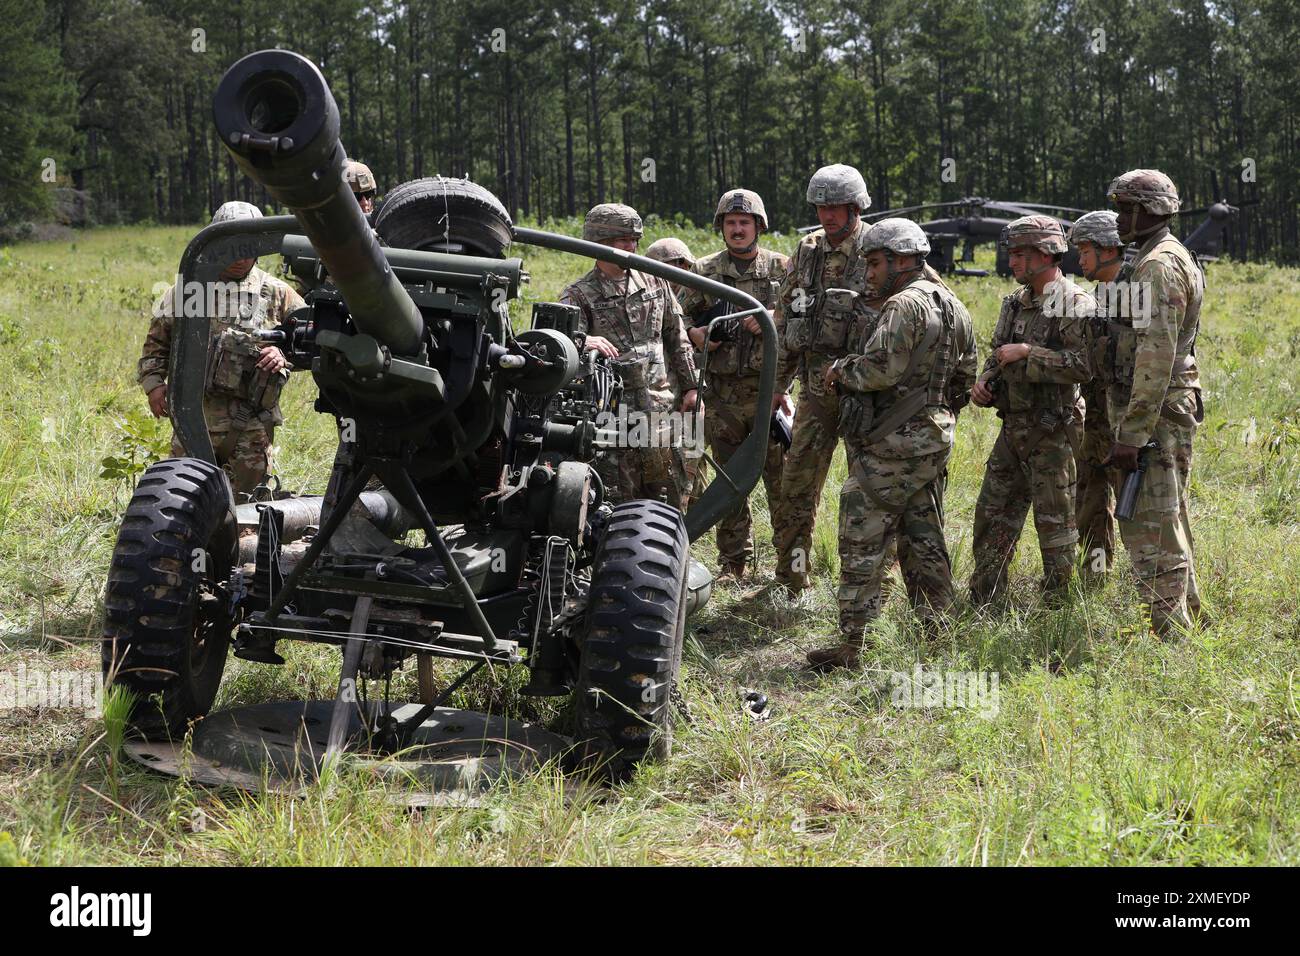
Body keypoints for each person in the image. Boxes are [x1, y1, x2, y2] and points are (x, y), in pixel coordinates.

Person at [810, 219, 976, 668]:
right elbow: (967, 379)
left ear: (903, 261)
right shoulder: (955, 306)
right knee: (924, 537)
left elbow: (880, 370)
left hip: (890, 447)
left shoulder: (904, 305)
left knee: (860, 539)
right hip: (932, 439)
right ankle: (937, 634)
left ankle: (855, 645)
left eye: (877, 262)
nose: (870, 272)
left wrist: (839, 371)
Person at [968, 215, 1094, 606]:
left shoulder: (1075, 303)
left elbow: (1084, 366)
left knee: (1054, 523)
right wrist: (985, 381)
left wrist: (1029, 353)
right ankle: (987, 598)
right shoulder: (1016, 302)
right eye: (1012, 254)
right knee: (993, 514)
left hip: (1053, 430)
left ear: (1045, 253)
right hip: (1013, 429)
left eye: (1020, 255)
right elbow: (998, 351)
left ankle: (1059, 606)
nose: (1012, 263)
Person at [139, 201, 306, 494]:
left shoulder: (277, 292)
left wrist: (283, 354)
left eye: (250, 246)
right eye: (234, 245)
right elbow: (156, 344)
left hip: (251, 424)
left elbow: (312, 339)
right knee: (184, 500)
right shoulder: (187, 290)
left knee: (245, 511)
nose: (242, 255)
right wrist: (154, 385)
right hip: (193, 421)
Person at [1104, 169, 1206, 635]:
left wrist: (1132, 433)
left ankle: (1171, 635)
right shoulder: (1158, 256)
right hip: (1165, 405)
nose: (1119, 217)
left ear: (1151, 211)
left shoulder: (1157, 266)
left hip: (1156, 410)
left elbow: (1154, 354)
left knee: (1152, 524)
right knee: (1169, 513)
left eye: (1127, 208)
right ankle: (1190, 616)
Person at [676, 190, 790, 584]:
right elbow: (673, 317)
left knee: (783, 483)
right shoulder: (702, 270)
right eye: (730, 223)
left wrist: (775, 316)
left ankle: (790, 568)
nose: (737, 229)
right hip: (720, 394)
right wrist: (696, 333)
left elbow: (806, 315)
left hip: (769, 394)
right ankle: (733, 564)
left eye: (745, 222)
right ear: (721, 227)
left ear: (758, 226)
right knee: (728, 481)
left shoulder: (782, 268)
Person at [772, 164, 872, 595]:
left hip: (866, 392)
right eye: (821, 207)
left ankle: (870, 586)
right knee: (795, 485)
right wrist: (777, 385)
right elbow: (788, 316)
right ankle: (793, 579)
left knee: (866, 493)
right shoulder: (808, 248)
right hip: (815, 391)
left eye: (836, 208)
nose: (828, 216)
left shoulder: (880, 247)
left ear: (855, 207)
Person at [560, 203, 698, 505]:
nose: (632, 247)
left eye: (635, 240)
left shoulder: (655, 280)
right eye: (624, 240)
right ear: (599, 243)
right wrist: (585, 341)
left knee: (668, 494)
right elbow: (562, 346)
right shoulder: (579, 294)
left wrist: (690, 387)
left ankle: (671, 552)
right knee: (618, 499)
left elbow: (677, 335)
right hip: (613, 419)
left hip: (661, 409)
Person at [1067, 209, 1128, 582]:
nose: (1080, 258)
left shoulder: (1136, 296)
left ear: (1109, 249)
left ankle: (1153, 589)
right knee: (1089, 503)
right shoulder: (1102, 295)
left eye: (1086, 250)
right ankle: (1096, 577)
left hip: (1125, 422)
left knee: (1136, 506)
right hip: (1095, 419)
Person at [645, 237, 706, 513]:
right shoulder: (646, 299)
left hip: (692, 392)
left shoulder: (698, 294)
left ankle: (690, 521)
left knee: (694, 460)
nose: (676, 273)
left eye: (682, 266)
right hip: (658, 398)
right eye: (669, 267)